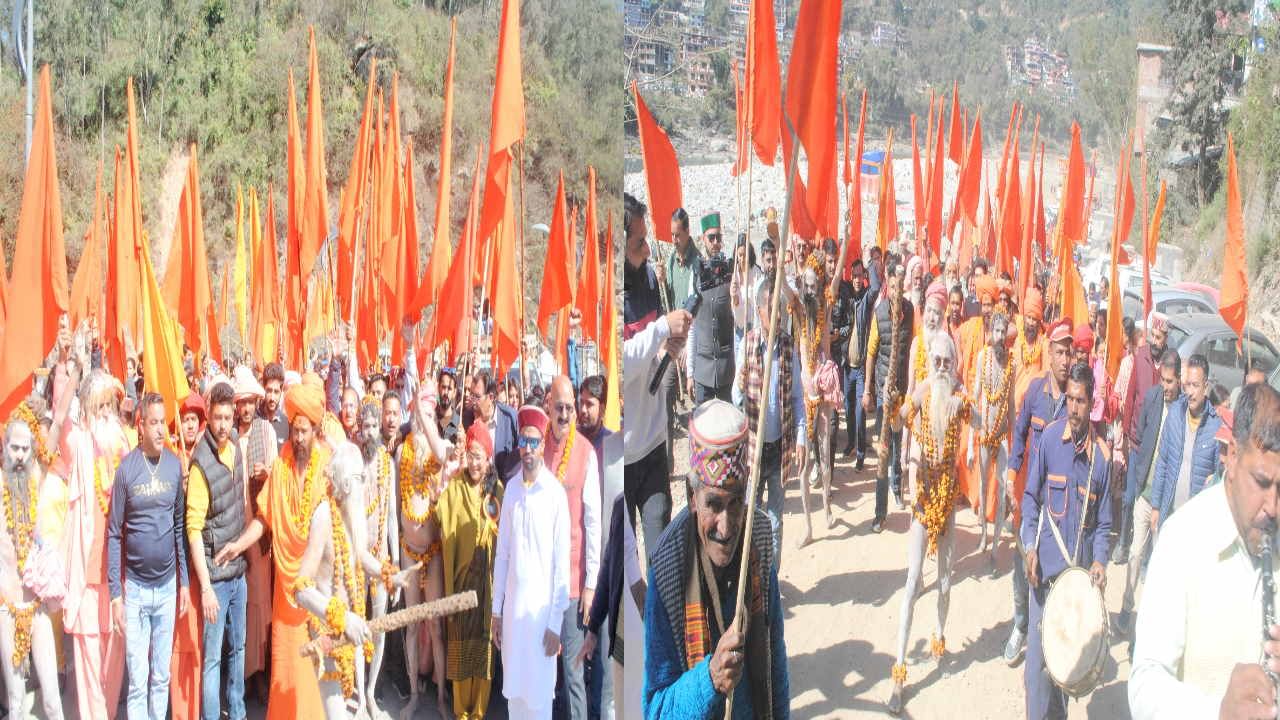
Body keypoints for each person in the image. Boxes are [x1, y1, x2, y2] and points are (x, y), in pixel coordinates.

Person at [1129, 383, 1280, 718]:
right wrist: (1217, 713)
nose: (1273, 506)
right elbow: (1143, 687)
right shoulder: (1181, 540)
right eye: (1262, 483)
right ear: (1233, 458)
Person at [642, 399, 789, 719]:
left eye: (736, 502)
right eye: (714, 504)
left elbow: (774, 656)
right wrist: (709, 679)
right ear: (692, 496)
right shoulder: (667, 567)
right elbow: (654, 709)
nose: (727, 526)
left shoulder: (758, 535)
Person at [213, 379, 330, 718]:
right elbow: (264, 519)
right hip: (286, 591)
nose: (298, 437)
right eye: (294, 430)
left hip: (316, 591)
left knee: (314, 671)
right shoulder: (280, 467)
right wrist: (237, 545)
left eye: (305, 431)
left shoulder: (326, 471)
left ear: (315, 430)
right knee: (287, 666)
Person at [1019, 363, 1113, 720]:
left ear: (1092, 403)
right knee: (1036, 673)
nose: (1074, 409)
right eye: (1070, 400)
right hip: (1043, 580)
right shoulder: (1047, 441)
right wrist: (1029, 546)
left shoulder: (1101, 460)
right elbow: (1030, 498)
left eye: (1081, 402)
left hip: (1075, 587)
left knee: (1065, 675)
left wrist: (1101, 561)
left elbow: (1104, 524)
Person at [888, 334, 971, 714]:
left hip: (948, 499)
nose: (940, 367)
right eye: (935, 360)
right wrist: (895, 407)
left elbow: (982, 420)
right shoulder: (922, 391)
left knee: (947, 580)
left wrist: (969, 404)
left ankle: (939, 636)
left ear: (953, 364)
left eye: (945, 362)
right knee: (911, 581)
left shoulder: (959, 393)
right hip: (923, 500)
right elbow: (899, 420)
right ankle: (899, 675)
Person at [107, 392, 190, 720]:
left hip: (168, 587)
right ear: (140, 426)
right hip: (137, 592)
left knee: (161, 677)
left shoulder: (173, 466)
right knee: (138, 680)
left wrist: (183, 582)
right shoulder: (126, 470)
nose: (160, 430)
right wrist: (116, 595)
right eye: (153, 423)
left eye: (163, 423)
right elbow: (114, 534)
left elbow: (179, 526)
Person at [623, 192, 692, 554]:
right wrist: (662, 330)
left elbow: (648, 358)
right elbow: (621, 365)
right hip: (621, 455)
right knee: (625, 567)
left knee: (660, 551)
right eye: (639, 243)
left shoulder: (649, 279)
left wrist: (669, 350)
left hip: (652, 445)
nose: (649, 250)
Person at [492, 405, 572, 719]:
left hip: (541, 623)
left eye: (534, 442)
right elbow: (502, 555)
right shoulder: (511, 490)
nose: (528, 449)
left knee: (539, 702)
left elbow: (561, 566)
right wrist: (496, 611)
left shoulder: (554, 494)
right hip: (513, 618)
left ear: (543, 445)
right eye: (523, 442)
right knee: (515, 701)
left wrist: (555, 623)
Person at [58, 370, 129, 719]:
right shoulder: (79, 445)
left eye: (108, 405)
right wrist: (66, 369)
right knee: (87, 653)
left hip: (118, 575)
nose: (104, 412)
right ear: (85, 409)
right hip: (87, 576)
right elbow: (58, 427)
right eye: (97, 405)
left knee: (114, 655)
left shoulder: (124, 446)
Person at [1003, 319, 1074, 665]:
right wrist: (1012, 470)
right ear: (1049, 354)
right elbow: (1018, 436)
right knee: (1021, 568)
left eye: (1069, 353)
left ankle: (1048, 634)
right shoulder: (1034, 392)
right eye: (1059, 352)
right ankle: (1020, 625)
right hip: (1031, 501)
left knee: (1054, 571)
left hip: (1059, 505)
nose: (1064, 360)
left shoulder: (1076, 402)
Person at [185, 381, 248, 720]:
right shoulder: (200, 466)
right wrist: (206, 587)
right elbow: (193, 531)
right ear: (208, 415)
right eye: (218, 418)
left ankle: (237, 713)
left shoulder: (236, 446)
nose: (223, 425)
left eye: (228, 417)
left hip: (238, 573)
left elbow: (241, 506)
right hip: (216, 581)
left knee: (237, 649)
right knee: (212, 659)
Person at [542, 376, 602, 720]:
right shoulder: (537, 448)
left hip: (573, 581)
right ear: (549, 406)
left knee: (573, 671)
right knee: (544, 668)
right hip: (541, 578)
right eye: (559, 407)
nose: (564, 414)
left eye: (569, 408)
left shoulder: (586, 453)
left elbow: (592, 523)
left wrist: (592, 584)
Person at [1, 409, 66, 720]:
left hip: (36, 606)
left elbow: (55, 428)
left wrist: (77, 368)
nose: (20, 455)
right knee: (15, 701)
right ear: (4, 448)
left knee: (52, 699)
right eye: (14, 447)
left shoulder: (34, 482)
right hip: (6, 608)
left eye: (25, 448)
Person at [435, 422, 502, 720]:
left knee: (484, 651)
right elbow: (437, 513)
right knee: (461, 650)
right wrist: (443, 477)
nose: (475, 462)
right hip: (462, 586)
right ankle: (461, 712)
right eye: (471, 455)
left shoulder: (497, 491)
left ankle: (479, 713)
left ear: (488, 459)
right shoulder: (455, 488)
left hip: (487, 587)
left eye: (480, 456)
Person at [1117, 350, 1182, 637]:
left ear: (1179, 380)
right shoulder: (1153, 397)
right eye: (1164, 380)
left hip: (1166, 503)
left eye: (1171, 382)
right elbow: (1139, 432)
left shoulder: (1182, 410)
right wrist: (1140, 466)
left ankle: (1148, 623)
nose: (1167, 387)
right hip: (1145, 492)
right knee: (1135, 554)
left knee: (1158, 566)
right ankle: (1126, 609)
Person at [399, 381, 454, 716]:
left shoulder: (442, 447)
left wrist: (424, 414)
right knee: (410, 624)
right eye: (419, 413)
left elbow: (437, 448)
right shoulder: (402, 448)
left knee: (434, 627)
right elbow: (396, 505)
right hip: (407, 551)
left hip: (432, 554)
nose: (422, 419)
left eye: (429, 413)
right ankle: (414, 695)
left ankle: (440, 699)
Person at [739, 277, 803, 560]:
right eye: (770, 307)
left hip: (780, 449)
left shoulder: (788, 348)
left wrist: (800, 438)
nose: (776, 314)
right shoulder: (748, 346)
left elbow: (798, 398)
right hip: (754, 450)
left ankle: (771, 585)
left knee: (776, 521)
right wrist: (739, 387)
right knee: (751, 520)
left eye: (780, 306)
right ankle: (753, 581)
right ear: (758, 310)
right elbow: (734, 399)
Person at [354, 396, 400, 718]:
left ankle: (370, 692)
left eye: (374, 426)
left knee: (380, 627)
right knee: (357, 626)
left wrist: (395, 562)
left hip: (381, 557)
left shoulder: (388, 462)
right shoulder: (353, 461)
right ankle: (358, 694)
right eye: (365, 426)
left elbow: (393, 518)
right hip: (357, 558)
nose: (370, 431)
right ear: (358, 429)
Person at [793, 251, 843, 541]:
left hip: (822, 391)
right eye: (807, 286)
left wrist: (847, 236)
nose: (810, 291)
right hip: (803, 391)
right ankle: (810, 528)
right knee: (803, 461)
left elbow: (835, 280)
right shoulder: (798, 309)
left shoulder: (824, 303)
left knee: (824, 455)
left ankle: (826, 507)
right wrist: (777, 239)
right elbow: (785, 290)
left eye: (814, 286)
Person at [865, 262, 914, 532]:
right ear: (887, 284)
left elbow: (913, 347)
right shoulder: (880, 312)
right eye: (892, 286)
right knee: (884, 451)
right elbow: (872, 353)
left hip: (902, 392)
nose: (896, 291)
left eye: (900, 286)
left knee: (898, 442)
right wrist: (869, 390)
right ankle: (879, 512)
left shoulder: (910, 310)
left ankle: (898, 487)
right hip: (884, 390)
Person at [1149, 353, 1222, 529]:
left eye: (1195, 386)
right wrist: (1156, 506)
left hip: (1195, 522)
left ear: (1205, 387)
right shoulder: (1175, 414)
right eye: (1187, 385)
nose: (1189, 392)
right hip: (1169, 513)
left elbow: (1217, 478)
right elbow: (1163, 462)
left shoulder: (1215, 426)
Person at [970, 310, 1015, 564]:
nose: (999, 337)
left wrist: (1014, 439)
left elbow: (1010, 405)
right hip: (985, 433)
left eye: (1003, 332)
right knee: (984, 485)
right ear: (990, 333)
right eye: (996, 331)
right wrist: (969, 443)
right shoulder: (982, 358)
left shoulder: (1012, 364)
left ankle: (997, 545)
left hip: (1002, 437)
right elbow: (976, 396)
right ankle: (984, 535)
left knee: (1000, 490)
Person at [686, 212, 736, 405]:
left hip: (726, 371)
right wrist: (690, 373)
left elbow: (738, 323)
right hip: (703, 371)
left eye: (718, 238)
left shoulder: (731, 274)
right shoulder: (696, 275)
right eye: (711, 237)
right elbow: (692, 327)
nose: (715, 242)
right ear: (703, 239)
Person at [844, 259, 882, 468]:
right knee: (848, 408)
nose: (858, 280)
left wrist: (869, 265)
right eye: (855, 275)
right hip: (846, 365)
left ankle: (860, 452)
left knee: (860, 411)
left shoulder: (866, 299)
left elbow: (876, 287)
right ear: (850, 276)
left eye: (861, 275)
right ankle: (851, 441)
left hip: (860, 368)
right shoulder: (848, 297)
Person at [464, 370, 521, 483]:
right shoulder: (466, 419)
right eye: (471, 395)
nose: (472, 402)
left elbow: (518, 460)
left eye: (477, 397)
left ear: (490, 397)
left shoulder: (510, 419)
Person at [260, 362, 289, 449]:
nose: (272, 398)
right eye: (269, 391)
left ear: (281, 392)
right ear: (263, 387)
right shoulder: (254, 419)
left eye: (276, 392)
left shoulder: (286, 423)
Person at [382, 392, 405, 457]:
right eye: (388, 413)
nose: (391, 419)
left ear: (401, 417)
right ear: (381, 414)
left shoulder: (406, 440)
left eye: (395, 414)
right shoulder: (374, 441)